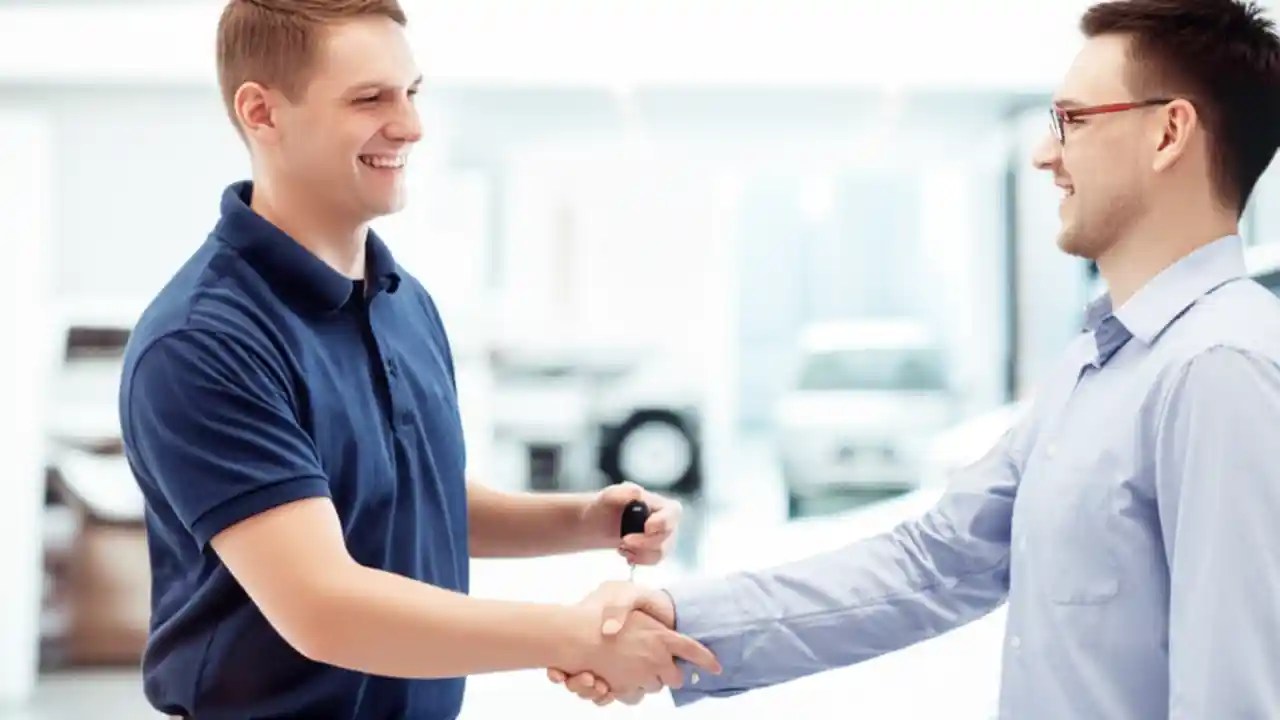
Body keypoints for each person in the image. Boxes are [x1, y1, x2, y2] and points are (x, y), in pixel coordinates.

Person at [549, 0, 1280, 716]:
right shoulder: (1101, 364)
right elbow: (934, 562)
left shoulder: (1220, 370)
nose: (1043, 153)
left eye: (1072, 120)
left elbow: (1237, 695)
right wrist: (679, 618)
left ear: (1167, 134)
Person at [117, 2, 720, 718]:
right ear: (261, 112)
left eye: (411, 92)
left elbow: (407, 500)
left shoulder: (402, 300)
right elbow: (324, 605)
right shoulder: (205, 341)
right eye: (370, 98)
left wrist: (583, 520)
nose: (410, 125)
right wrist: (575, 636)